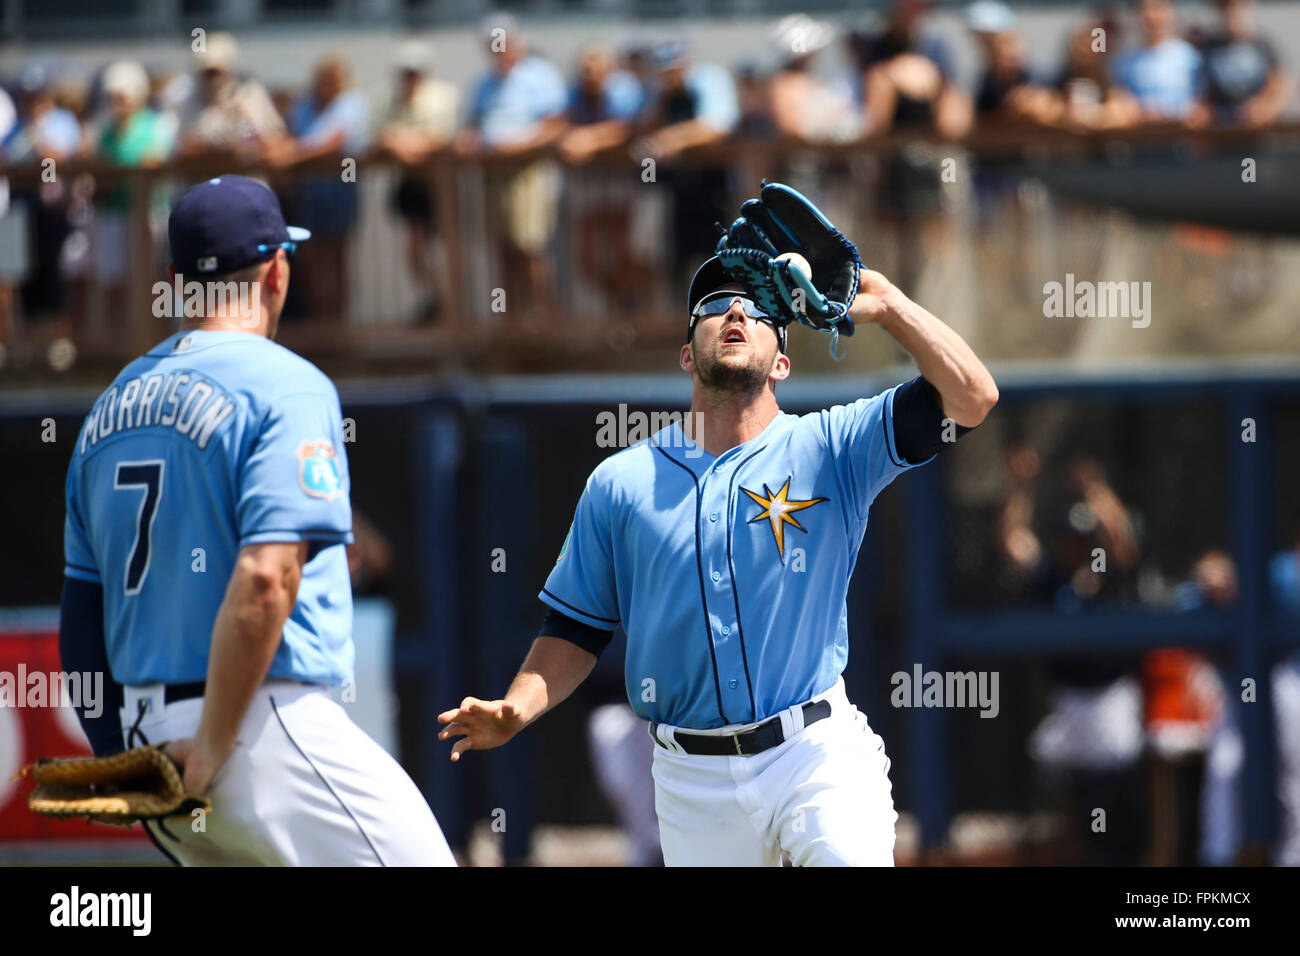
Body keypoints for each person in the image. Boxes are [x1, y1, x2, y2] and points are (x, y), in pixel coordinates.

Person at [438, 246, 999, 866]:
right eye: (714, 304)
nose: (736, 308)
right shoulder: (620, 483)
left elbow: (972, 398)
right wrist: (518, 707)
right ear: (687, 354)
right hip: (690, 784)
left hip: (812, 752)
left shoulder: (833, 445)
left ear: (782, 360)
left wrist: (889, 304)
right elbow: (576, 628)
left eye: (758, 307)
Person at [58, 175, 454, 866]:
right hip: (252, 727)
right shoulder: (287, 383)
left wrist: (121, 759)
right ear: (278, 268)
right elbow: (268, 578)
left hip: (154, 746)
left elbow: (81, 623)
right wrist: (212, 743)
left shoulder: (105, 412)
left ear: (177, 281)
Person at [457, 16, 567, 320]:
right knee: (503, 250)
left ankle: (542, 318)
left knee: (531, 247)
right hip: (493, 176)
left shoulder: (540, 75)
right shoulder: (482, 84)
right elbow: (470, 127)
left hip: (528, 173)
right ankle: (512, 320)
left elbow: (554, 126)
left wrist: (512, 147)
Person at [269, 55, 368, 324]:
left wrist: (292, 154)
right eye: (324, 81)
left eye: (333, 82)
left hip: (339, 190)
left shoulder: (352, 103)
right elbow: (289, 133)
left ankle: (338, 323)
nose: (328, 87)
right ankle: (319, 322)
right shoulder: (305, 106)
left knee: (336, 257)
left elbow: (334, 140)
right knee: (310, 258)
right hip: (309, 192)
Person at [635, 39, 739, 291]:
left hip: (714, 190)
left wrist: (672, 139)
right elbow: (644, 137)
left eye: (672, 70)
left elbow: (718, 126)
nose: (668, 77)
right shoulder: (660, 94)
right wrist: (660, 104)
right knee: (675, 262)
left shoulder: (707, 80)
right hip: (675, 193)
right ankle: (681, 324)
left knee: (718, 259)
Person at [376, 39, 460, 324]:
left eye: (414, 73)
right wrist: (410, 146)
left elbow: (443, 138)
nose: (409, 79)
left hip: (443, 187)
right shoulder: (390, 100)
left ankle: (453, 305)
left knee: (450, 248)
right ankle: (438, 299)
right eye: (405, 73)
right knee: (415, 248)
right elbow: (381, 136)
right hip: (413, 187)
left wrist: (406, 145)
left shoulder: (444, 97)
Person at [175, 31, 288, 163]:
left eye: (216, 72)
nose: (212, 79)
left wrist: (245, 147)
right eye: (207, 73)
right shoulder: (190, 102)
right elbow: (182, 149)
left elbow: (276, 143)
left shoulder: (250, 97)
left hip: (244, 178)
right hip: (206, 179)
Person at [1190, 0, 1290, 128]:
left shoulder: (1263, 44)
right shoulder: (1210, 47)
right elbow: (1203, 92)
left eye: (1237, 8)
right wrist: (1202, 112)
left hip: (1259, 132)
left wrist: (1265, 107)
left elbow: (1280, 85)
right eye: (1225, 8)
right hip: (1222, 130)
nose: (1232, 14)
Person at [1112, 0, 1203, 121]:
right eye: (1144, 10)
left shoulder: (1190, 57)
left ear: (1170, 13)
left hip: (1180, 135)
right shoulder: (1125, 61)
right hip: (1139, 136)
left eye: (1158, 9)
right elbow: (1117, 102)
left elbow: (1202, 106)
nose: (1151, 16)